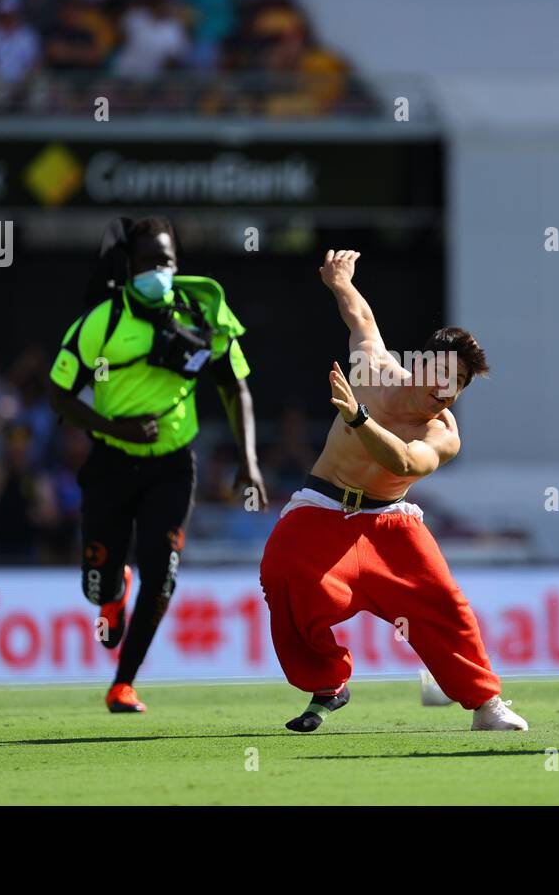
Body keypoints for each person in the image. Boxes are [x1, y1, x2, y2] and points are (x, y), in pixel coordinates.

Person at [259, 249, 528, 733]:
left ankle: (486, 706)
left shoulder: (442, 433)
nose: (448, 390)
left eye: (461, 384)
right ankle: (330, 684)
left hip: (391, 524)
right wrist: (340, 280)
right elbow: (360, 317)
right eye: (445, 373)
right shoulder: (372, 371)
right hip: (322, 507)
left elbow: (403, 462)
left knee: (445, 605)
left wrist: (358, 419)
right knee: (283, 577)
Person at [48, 216, 267, 712]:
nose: (159, 271)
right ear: (130, 268)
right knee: (96, 583)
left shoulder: (202, 315)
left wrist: (247, 459)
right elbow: (58, 394)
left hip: (172, 467)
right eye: (148, 262)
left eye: (166, 261)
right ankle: (111, 589)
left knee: (162, 573)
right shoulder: (100, 322)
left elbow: (235, 387)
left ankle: (123, 682)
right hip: (110, 463)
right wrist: (114, 428)